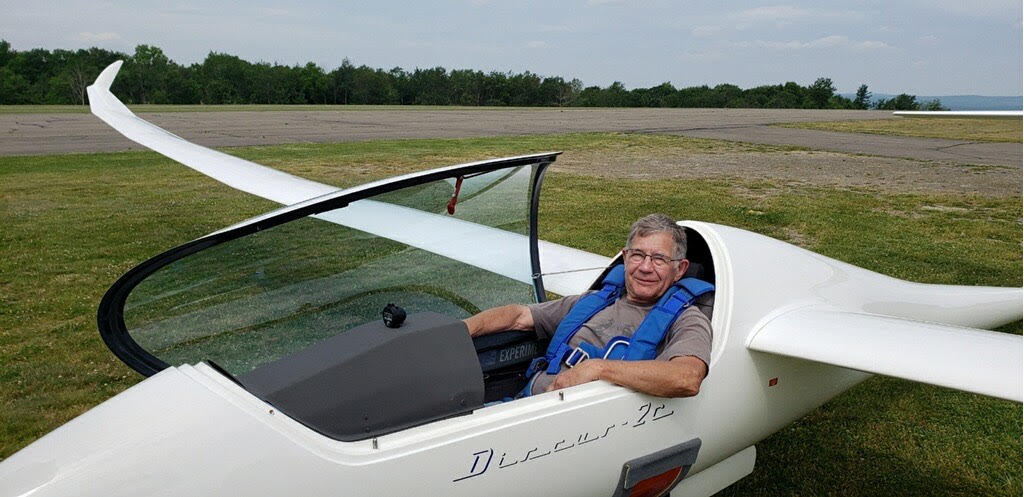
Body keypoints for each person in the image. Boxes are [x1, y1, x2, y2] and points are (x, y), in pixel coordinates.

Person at [464, 213, 712, 398]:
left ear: (680, 269)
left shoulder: (686, 319)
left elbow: (687, 378)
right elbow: (517, 315)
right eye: (637, 255)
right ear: (625, 258)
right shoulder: (595, 300)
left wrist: (597, 369)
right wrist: (462, 329)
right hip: (525, 399)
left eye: (659, 259)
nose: (645, 267)